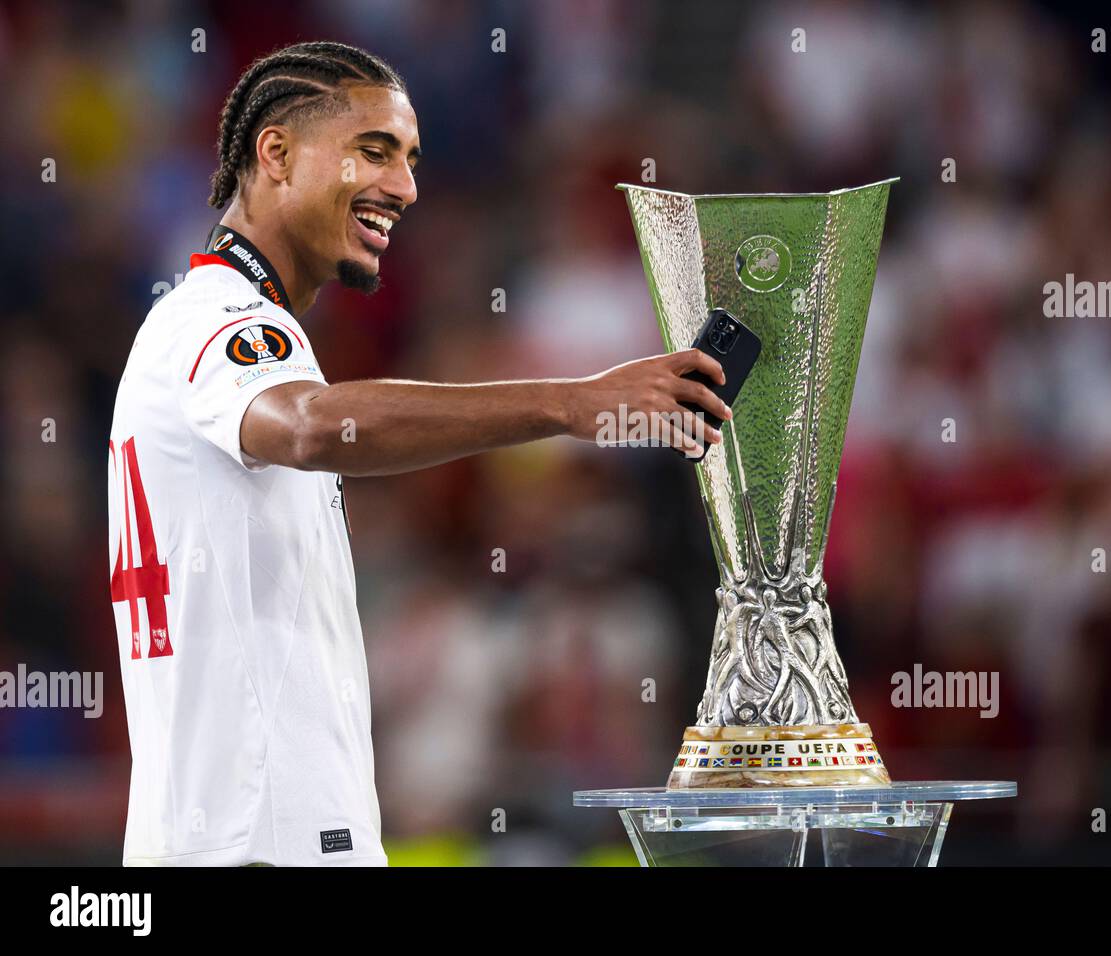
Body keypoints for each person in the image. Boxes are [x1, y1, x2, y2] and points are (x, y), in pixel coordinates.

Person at [106, 40, 729, 866]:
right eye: (374, 151)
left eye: (410, 160)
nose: (404, 187)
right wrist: (572, 402)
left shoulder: (213, 327)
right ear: (276, 154)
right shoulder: (217, 318)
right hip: (262, 845)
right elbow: (312, 427)